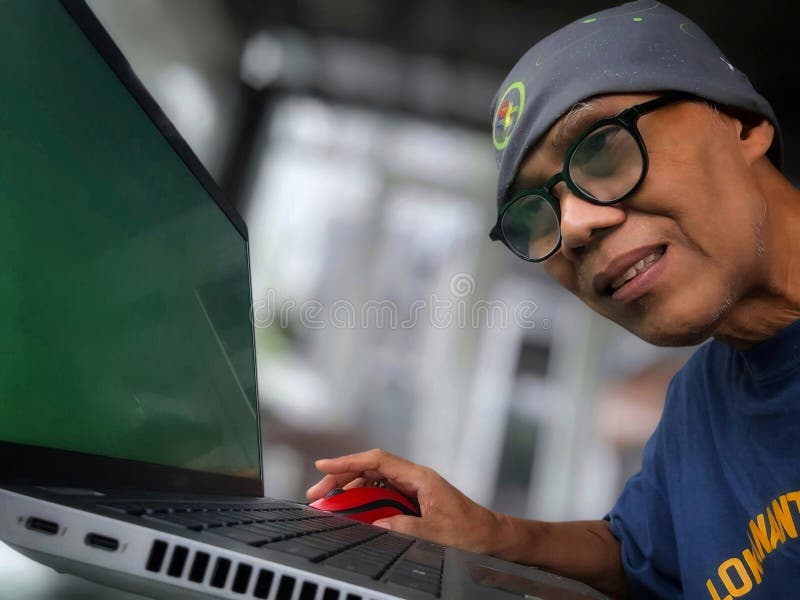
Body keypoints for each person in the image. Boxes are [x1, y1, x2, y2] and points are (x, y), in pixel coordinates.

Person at [307, 2, 800, 598]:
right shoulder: (699, 408)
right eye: (536, 213)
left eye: (603, 150)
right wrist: (486, 534)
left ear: (742, 125)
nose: (572, 228)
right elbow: (639, 558)